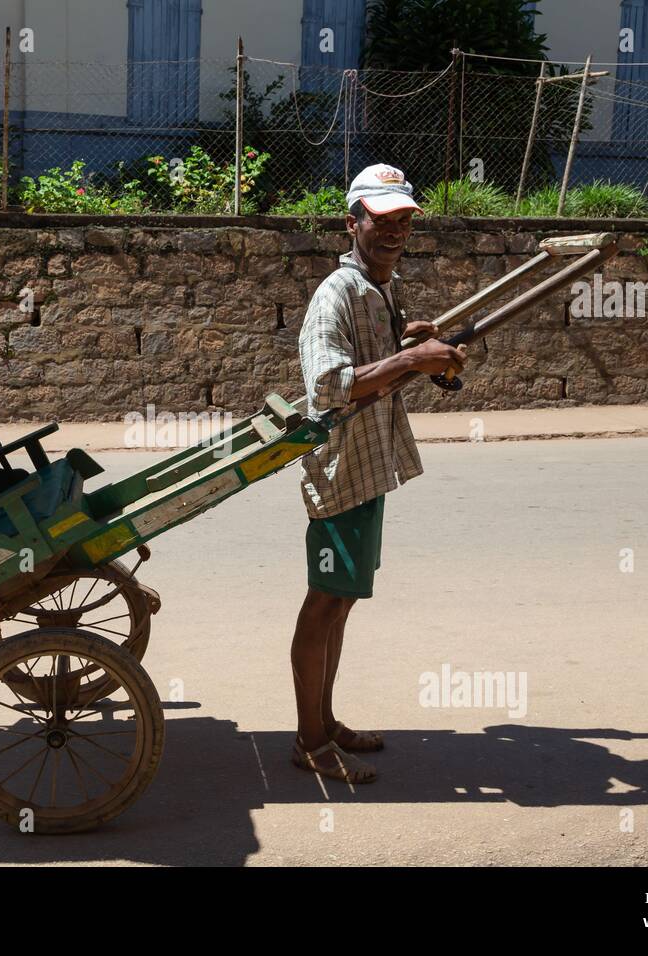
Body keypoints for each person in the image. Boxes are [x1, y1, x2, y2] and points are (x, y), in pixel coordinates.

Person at [292, 164, 468, 783]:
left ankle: (324, 719)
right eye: (380, 219)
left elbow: (382, 366)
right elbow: (327, 386)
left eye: (402, 220)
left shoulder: (380, 289)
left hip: (370, 467)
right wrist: (411, 357)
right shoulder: (336, 294)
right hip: (342, 473)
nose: (394, 230)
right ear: (353, 221)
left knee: (340, 605)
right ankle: (311, 743)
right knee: (325, 603)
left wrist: (415, 350)